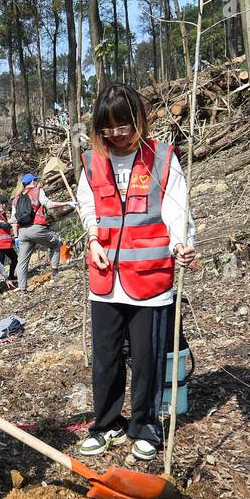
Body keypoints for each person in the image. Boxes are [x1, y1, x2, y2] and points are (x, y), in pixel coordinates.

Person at [77, 83, 198, 463]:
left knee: (147, 357)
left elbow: (177, 208)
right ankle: (107, 423)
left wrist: (183, 242)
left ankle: (146, 425)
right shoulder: (92, 160)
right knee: (106, 357)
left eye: (123, 126)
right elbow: (88, 205)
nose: (115, 135)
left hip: (151, 277)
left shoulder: (161, 158)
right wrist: (93, 238)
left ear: (138, 121)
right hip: (106, 278)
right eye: (107, 128)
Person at [11, 172, 66, 290]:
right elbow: (49, 204)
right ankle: (55, 273)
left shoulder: (16, 199)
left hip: (22, 233)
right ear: (32, 182)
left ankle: (22, 288)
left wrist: (16, 237)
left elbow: (14, 220)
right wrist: (67, 203)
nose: (37, 182)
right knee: (55, 243)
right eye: (36, 180)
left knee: (22, 261)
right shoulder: (37, 191)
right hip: (37, 228)